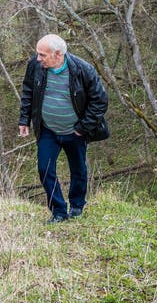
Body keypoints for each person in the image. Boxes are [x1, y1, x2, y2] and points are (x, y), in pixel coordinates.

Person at [18, 33, 108, 223]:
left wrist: (82, 128)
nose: (37, 58)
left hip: (75, 132)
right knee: (44, 168)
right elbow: (28, 90)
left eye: (42, 55)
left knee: (78, 170)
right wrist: (24, 119)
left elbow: (100, 101)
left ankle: (77, 205)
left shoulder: (83, 70)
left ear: (57, 54)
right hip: (48, 130)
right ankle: (59, 211)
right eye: (38, 54)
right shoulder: (36, 67)